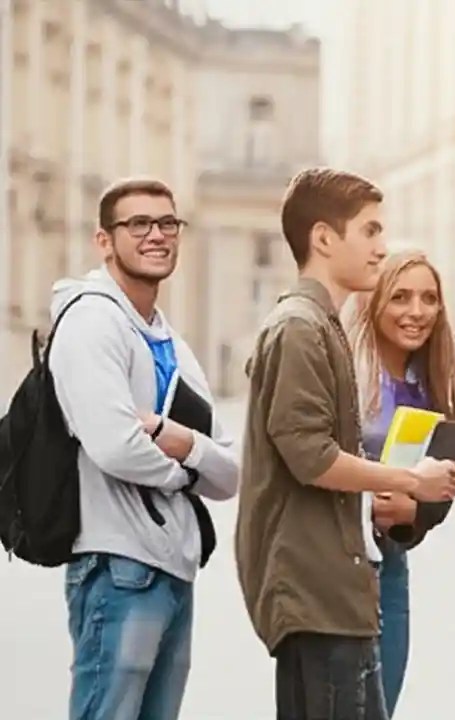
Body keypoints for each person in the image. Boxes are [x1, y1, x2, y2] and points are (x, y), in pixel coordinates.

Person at [234, 168, 455, 720]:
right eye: (369, 231)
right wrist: (411, 478)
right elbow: (310, 456)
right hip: (317, 593)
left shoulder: (320, 324)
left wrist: (420, 499)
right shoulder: (300, 327)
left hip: (346, 585)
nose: (380, 247)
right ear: (323, 238)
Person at [50, 177, 240, 720]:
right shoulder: (91, 321)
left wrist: (178, 440)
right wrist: (189, 468)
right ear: (104, 241)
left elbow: (230, 473)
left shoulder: (165, 339)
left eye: (167, 224)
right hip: (117, 567)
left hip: (173, 568)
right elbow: (116, 448)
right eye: (138, 224)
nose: (156, 235)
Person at [344, 250, 455, 716]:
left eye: (429, 298)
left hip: (393, 566)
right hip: (343, 565)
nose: (417, 311)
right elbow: (310, 462)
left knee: (382, 707)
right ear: (374, 303)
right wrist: (368, 501)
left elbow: (443, 482)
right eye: (401, 297)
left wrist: (421, 510)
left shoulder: (429, 380)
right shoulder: (348, 372)